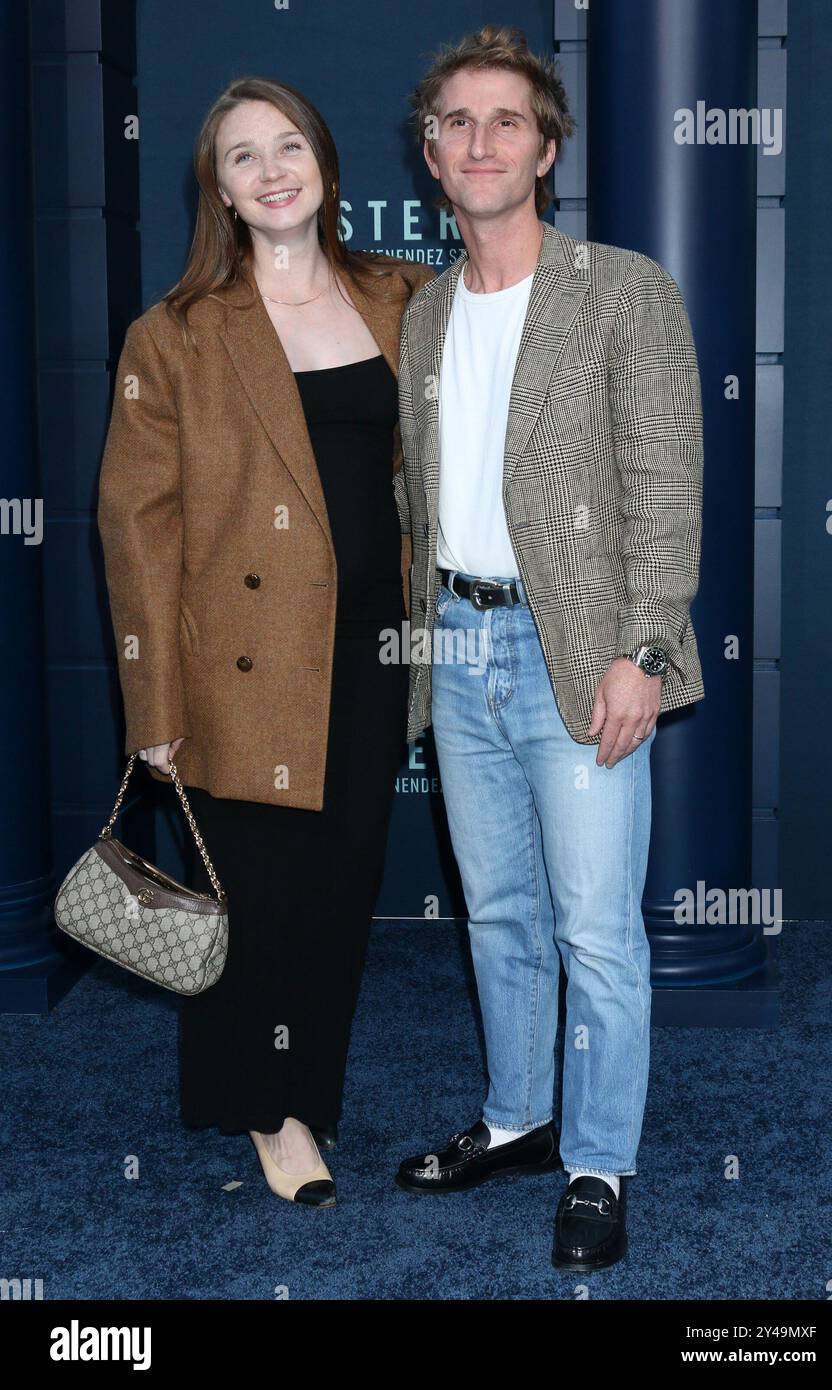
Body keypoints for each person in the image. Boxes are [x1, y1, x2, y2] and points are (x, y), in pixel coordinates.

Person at [393, 26, 704, 1270]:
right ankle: (518, 1117)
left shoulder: (621, 288)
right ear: (429, 152)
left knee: (593, 929)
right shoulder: (419, 314)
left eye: (504, 121)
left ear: (546, 147)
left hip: (573, 648)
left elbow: (666, 483)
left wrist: (640, 645)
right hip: (456, 644)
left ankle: (595, 1162)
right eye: (455, 122)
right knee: (499, 914)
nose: (480, 141)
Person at [97, 76, 434, 1207]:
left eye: (289, 144)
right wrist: (154, 714)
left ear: (328, 166)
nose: (272, 168)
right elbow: (135, 531)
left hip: (371, 657)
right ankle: (271, 1113)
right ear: (222, 193)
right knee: (254, 897)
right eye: (243, 157)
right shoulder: (178, 334)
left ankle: (307, 1089)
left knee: (337, 889)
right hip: (232, 661)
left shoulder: (406, 298)